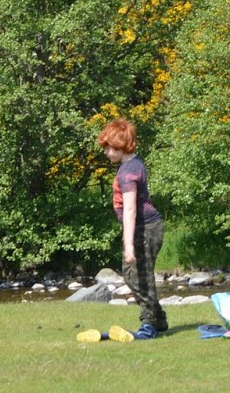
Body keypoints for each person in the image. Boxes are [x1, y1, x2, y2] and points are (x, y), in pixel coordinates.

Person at [98, 118, 168, 340]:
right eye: (107, 147)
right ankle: (158, 319)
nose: (108, 152)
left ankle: (148, 326)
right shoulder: (133, 163)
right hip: (147, 227)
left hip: (144, 228)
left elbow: (129, 210)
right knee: (135, 275)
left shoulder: (128, 171)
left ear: (124, 147)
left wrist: (129, 245)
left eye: (113, 148)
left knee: (137, 276)